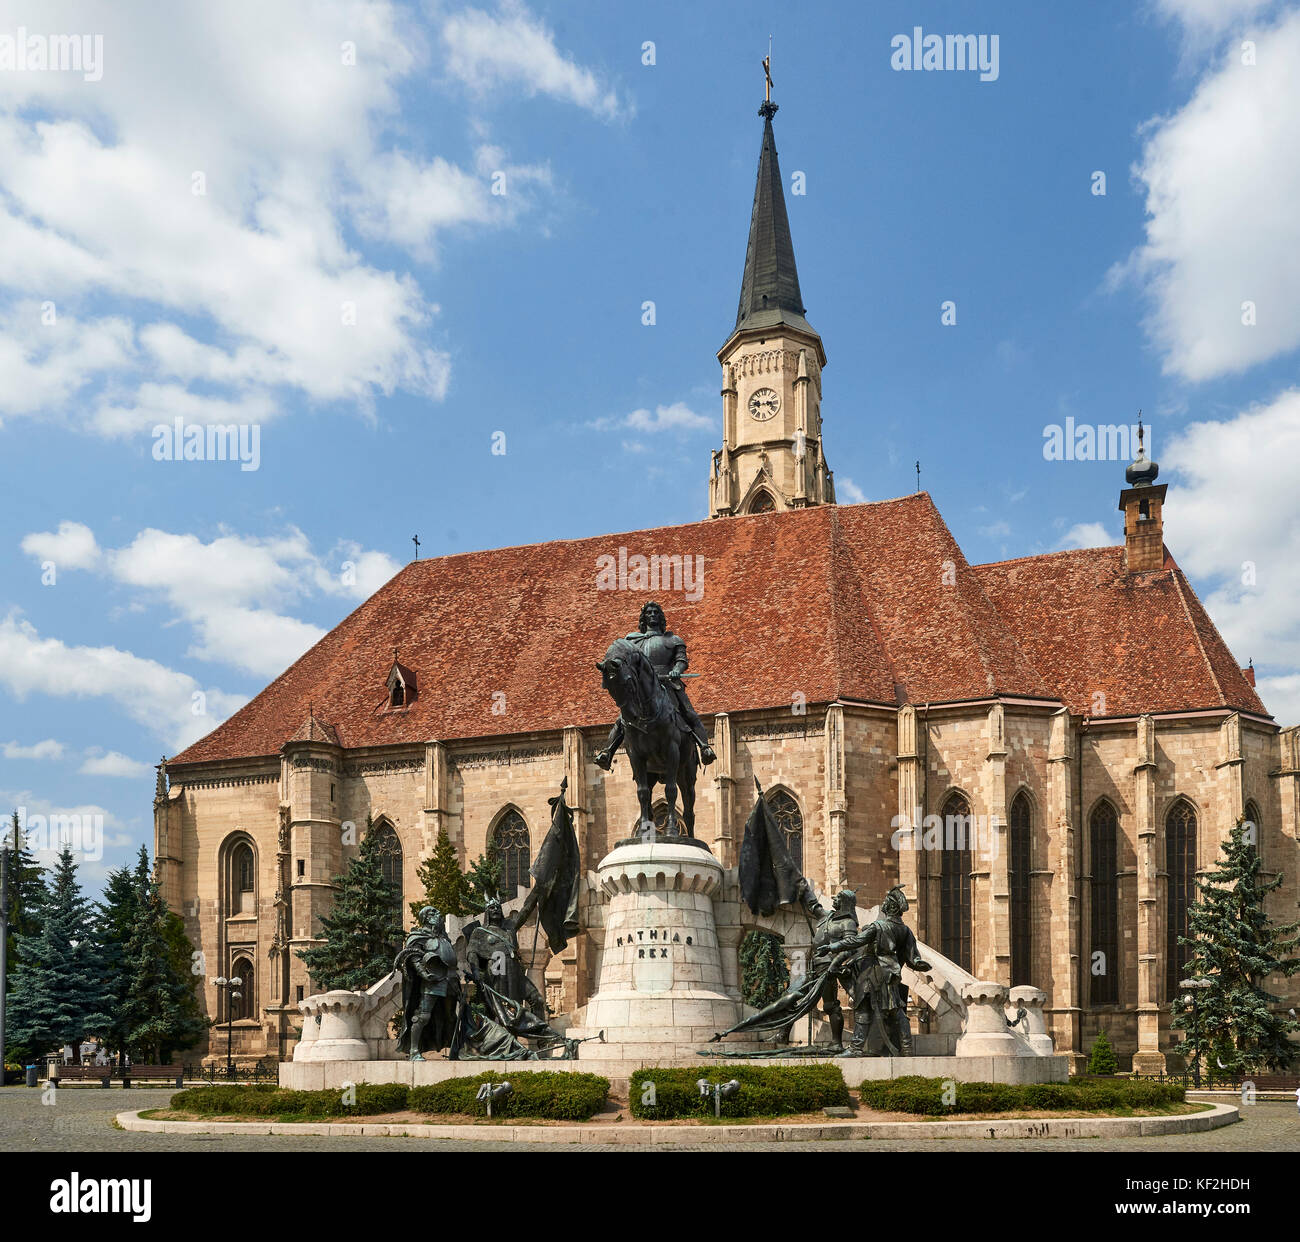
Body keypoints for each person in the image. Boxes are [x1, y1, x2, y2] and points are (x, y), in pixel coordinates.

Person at [594, 601, 716, 769]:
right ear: (643, 617)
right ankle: (607, 752)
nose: (652, 615)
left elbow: (682, 661)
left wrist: (676, 670)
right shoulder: (632, 641)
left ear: (661, 617)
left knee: (688, 713)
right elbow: (624, 662)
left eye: (656, 612)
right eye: (649, 613)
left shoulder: (673, 640)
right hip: (642, 688)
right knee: (622, 719)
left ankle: (704, 747)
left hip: (668, 683)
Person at [395, 907, 461, 1061]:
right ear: (425, 918)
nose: (438, 915)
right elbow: (413, 956)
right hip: (433, 980)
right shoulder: (418, 936)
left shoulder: (444, 938)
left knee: (451, 1016)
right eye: (433, 913)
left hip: (450, 979)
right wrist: (423, 973)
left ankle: (454, 1049)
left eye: (438, 913)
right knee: (423, 1016)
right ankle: (414, 1051)